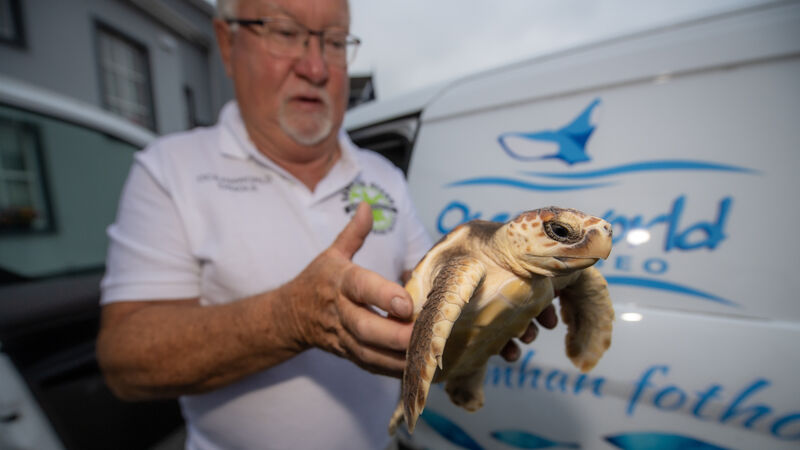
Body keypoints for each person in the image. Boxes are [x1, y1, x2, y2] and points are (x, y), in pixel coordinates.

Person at [96, 0, 557, 449]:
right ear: (227, 43)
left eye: (334, 41)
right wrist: (288, 319)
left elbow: (419, 288)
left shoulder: (383, 176)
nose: (315, 67)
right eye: (284, 32)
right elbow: (124, 361)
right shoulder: (169, 170)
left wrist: (485, 308)